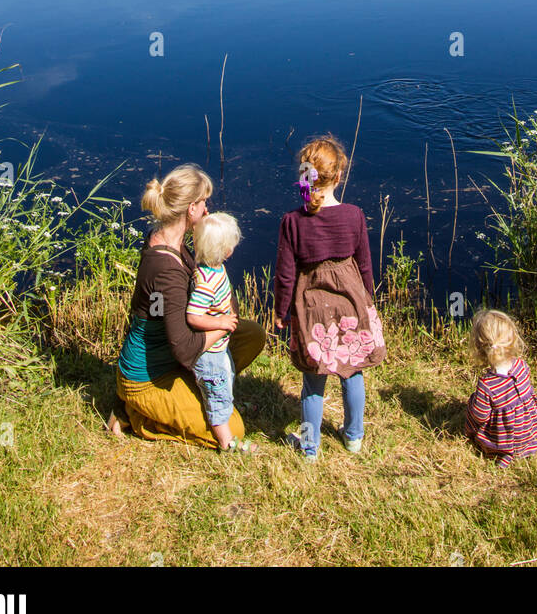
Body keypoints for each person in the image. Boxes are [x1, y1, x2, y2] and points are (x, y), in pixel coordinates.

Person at [110, 164, 264, 447]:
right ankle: (136, 414)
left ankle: (201, 389)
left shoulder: (174, 243)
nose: (207, 210)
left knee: (251, 334)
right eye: (204, 202)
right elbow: (183, 348)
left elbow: (217, 299)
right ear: (191, 208)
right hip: (148, 378)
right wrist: (222, 325)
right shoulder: (165, 268)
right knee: (234, 429)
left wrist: (226, 315)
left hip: (172, 352)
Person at [274, 135, 385, 460]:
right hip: (351, 305)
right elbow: (364, 265)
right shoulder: (354, 216)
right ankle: (354, 436)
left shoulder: (293, 222)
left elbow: (285, 276)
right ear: (339, 177)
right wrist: (369, 301)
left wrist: (282, 311)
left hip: (312, 310)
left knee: (313, 380)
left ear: (304, 177)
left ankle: (310, 447)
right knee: (353, 371)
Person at [186, 211, 257, 453]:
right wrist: (222, 323)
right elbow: (193, 316)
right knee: (217, 392)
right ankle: (227, 442)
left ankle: (229, 409)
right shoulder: (207, 281)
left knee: (225, 379)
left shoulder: (211, 268)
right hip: (210, 353)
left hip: (219, 347)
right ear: (226, 251)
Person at [464, 309, 537, 467]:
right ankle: (524, 448)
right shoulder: (522, 366)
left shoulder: (487, 385)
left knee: (473, 409)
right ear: (512, 339)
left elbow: (479, 417)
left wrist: (472, 403)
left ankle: (501, 453)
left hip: (504, 444)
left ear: (480, 348)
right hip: (529, 435)